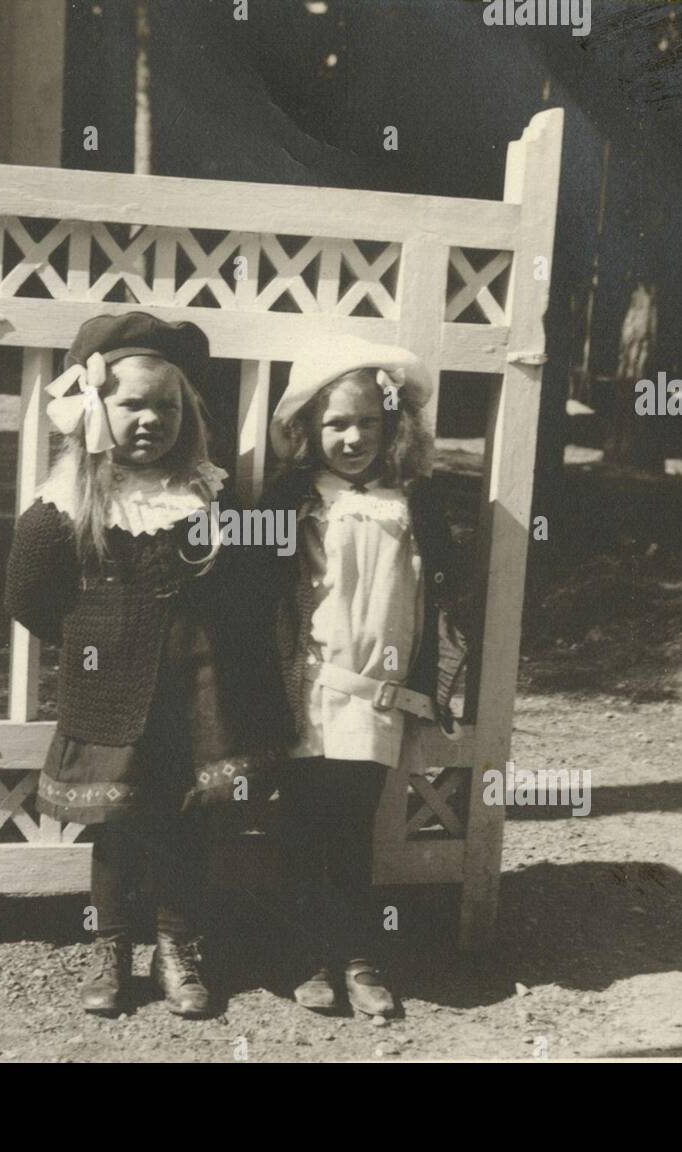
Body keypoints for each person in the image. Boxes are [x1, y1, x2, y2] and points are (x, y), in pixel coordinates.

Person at [4, 312, 285, 1018]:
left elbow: (242, 590)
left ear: (186, 415)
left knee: (188, 822)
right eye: (132, 403)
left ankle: (177, 946)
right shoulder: (64, 507)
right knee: (119, 828)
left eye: (165, 405)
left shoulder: (207, 497)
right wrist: (96, 642)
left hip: (195, 696)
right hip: (111, 696)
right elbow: (31, 599)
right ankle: (110, 948)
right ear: (95, 408)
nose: (150, 419)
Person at [261, 336, 470, 1017]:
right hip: (306, 688)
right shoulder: (292, 498)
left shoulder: (414, 501)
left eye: (367, 423)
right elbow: (256, 588)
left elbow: (445, 585)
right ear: (307, 430)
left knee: (354, 826)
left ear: (393, 427)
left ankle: (357, 955)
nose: (351, 437)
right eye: (335, 424)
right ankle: (304, 953)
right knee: (299, 822)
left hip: (376, 693)